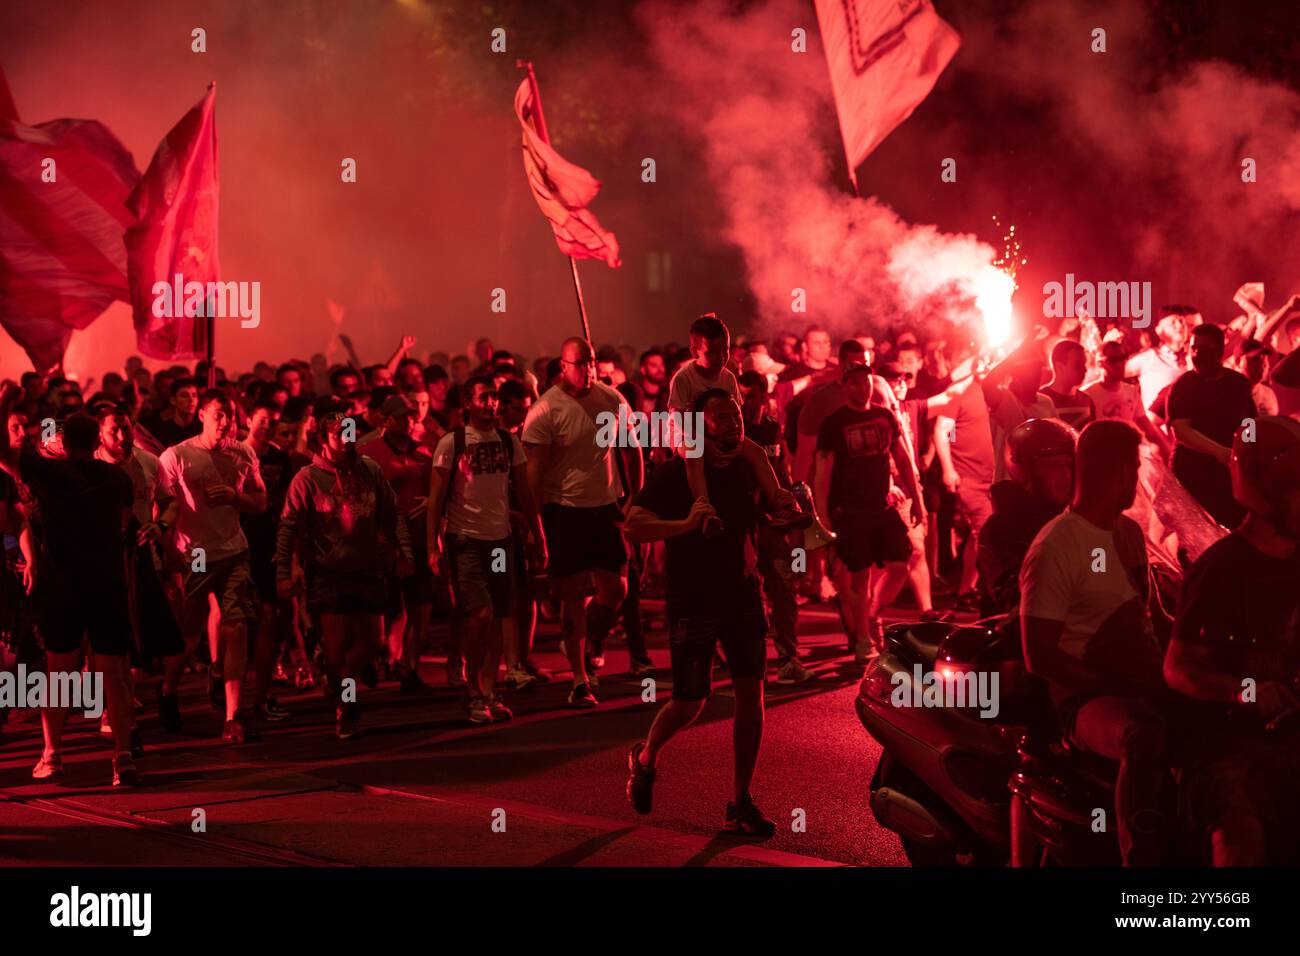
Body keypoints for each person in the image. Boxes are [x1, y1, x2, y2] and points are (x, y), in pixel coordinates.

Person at [623, 389, 777, 836]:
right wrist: (685, 525)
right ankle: (646, 757)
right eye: (721, 419)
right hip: (693, 598)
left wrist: (790, 515)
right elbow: (633, 528)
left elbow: (769, 511)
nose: (733, 424)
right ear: (698, 428)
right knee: (691, 700)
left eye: (737, 416)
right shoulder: (674, 474)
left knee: (752, 693)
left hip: (744, 596)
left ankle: (740, 800)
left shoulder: (751, 465)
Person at [1019, 419, 1172, 866]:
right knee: (1143, 734)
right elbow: (1039, 653)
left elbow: (1154, 614)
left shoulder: (1126, 534)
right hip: (1086, 701)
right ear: (1121, 472)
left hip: (1142, 682)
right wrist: (1112, 680)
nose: (1138, 480)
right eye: (1135, 467)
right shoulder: (1056, 545)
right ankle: (1141, 859)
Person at [1165, 416, 1300, 865]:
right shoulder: (1221, 569)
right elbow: (1178, 666)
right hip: (1227, 740)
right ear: (1267, 494)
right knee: (1241, 827)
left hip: (1290, 731)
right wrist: (1246, 692)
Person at [0, 393, 138, 786]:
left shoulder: (51, 474)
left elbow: (2, 454)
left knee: (60, 672)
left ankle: (52, 755)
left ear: (65, 442)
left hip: (64, 586)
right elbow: (124, 527)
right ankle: (124, 759)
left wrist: (4, 403)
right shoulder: (118, 478)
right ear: (96, 442)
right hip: (107, 584)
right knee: (114, 673)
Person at [276, 401, 412, 739]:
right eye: (339, 434)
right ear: (324, 439)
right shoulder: (307, 479)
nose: (347, 439)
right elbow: (288, 528)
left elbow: (392, 513)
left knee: (371, 644)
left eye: (350, 432)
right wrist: (284, 571)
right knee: (336, 647)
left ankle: (339, 680)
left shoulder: (369, 470)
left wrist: (404, 550)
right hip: (328, 571)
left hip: (367, 569)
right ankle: (347, 705)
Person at [523, 337, 641, 708]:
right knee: (572, 596)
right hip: (565, 510)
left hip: (606, 506)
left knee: (616, 591)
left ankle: (592, 635)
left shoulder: (610, 399)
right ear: (563, 366)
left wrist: (635, 499)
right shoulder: (546, 410)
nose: (588, 371)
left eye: (591, 363)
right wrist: (536, 525)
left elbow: (632, 450)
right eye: (580, 364)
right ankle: (579, 679)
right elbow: (534, 475)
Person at [429, 376, 543, 723]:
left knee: (496, 614)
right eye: (484, 397)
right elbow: (436, 499)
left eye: (494, 397)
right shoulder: (452, 442)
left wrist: (538, 535)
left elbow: (525, 494)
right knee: (478, 614)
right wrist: (432, 544)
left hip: (500, 540)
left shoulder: (509, 442)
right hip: (465, 540)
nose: (491, 403)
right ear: (468, 402)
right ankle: (473, 689)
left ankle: (489, 691)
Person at [157, 389, 268, 744]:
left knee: (236, 627)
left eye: (230, 416)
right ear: (202, 414)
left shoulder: (243, 453)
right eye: (218, 414)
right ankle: (168, 689)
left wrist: (237, 496)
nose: (225, 422)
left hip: (234, 551)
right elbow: (163, 509)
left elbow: (261, 502)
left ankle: (233, 716)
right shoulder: (176, 456)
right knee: (188, 637)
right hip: (195, 553)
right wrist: (167, 553)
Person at [813, 364, 924, 661]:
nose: (862, 388)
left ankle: (872, 614)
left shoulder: (884, 416)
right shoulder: (833, 424)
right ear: (844, 386)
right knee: (859, 575)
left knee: (900, 565)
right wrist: (822, 518)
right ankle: (863, 638)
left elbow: (902, 459)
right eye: (855, 383)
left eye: (866, 383)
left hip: (882, 505)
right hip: (850, 509)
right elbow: (822, 475)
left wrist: (918, 500)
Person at [667, 314, 810, 537]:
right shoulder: (683, 379)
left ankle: (781, 504)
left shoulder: (728, 378)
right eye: (712, 352)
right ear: (695, 351)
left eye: (724, 350)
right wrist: (704, 443)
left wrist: (738, 439)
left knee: (758, 453)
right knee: (694, 455)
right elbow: (678, 419)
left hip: (721, 434)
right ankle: (704, 511)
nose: (721, 357)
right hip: (688, 436)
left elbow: (737, 415)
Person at [95, 406, 186, 733]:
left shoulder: (149, 462)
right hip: (105, 564)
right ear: (100, 435)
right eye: (114, 430)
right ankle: (108, 707)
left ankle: (129, 696)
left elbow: (171, 501)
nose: (122, 436)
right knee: (111, 639)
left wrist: (160, 526)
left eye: (126, 428)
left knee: (149, 637)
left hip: (147, 561)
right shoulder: (92, 468)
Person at [359, 394, 437, 695]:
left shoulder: (424, 452)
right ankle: (377, 655)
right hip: (385, 540)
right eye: (401, 416)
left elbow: (439, 490)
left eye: (410, 416)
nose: (408, 421)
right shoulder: (370, 453)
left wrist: (433, 505)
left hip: (419, 538)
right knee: (388, 609)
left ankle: (409, 668)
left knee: (421, 607)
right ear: (385, 420)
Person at [737, 370, 808, 684]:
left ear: (763, 396)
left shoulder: (771, 428)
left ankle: (789, 658)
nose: (745, 403)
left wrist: (792, 503)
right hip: (742, 524)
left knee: (784, 587)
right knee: (742, 593)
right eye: (740, 396)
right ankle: (742, 658)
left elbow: (781, 468)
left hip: (773, 524)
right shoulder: (732, 432)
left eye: (750, 396)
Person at [976, 418, 1076, 616]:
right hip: (1016, 640)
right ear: (1026, 469)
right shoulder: (1001, 530)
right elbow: (1012, 595)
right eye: (1053, 466)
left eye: (1069, 465)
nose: (1066, 475)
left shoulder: (1079, 523)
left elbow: (1100, 570)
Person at [1167, 323, 1257, 528]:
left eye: (1204, 349)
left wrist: (1249, 450)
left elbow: (1250, 422)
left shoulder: (1238, 383)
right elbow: (1182, 431)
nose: (1197, 354)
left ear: (1220, 352)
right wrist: (1221, 452)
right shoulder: (1183, 386)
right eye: (1193, 348)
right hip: (1193, 475)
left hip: (1229, 477)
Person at [240, 399, 296, 723]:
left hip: (270, 545)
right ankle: (221, 676)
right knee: (230, 619)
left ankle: (261, 696)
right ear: (249, 420)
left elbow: (288, 501)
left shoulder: (280, 459)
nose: (268, 426)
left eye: (273, 421)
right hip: (235, 542)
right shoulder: (234, 454)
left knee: (269, 616)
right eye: (263, 420)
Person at [1083, 341, 1170, 455]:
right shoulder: (1087, 394)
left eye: (1123, 358)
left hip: (1128, 455)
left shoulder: (1132, 391)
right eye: (1113, 360)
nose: (1120, 364)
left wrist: (1169, 453)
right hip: (1102, 457)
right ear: (1100, 364)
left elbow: (1148, 430)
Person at [1040, 339, 1096, 430]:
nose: (1085, 370)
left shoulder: (1087, 400)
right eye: (1078, 365)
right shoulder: (1041, 400)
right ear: (1059, 367)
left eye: (1084, 364)